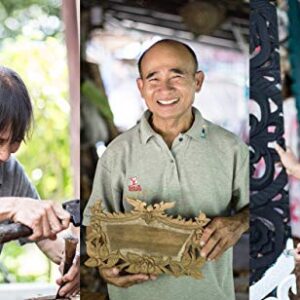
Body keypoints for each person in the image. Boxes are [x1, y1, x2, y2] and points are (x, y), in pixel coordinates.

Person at [83, 39, 249, 300]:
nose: (165, 89)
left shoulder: (231, 149)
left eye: (177, 76)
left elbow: (262, 208)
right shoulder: (117, 153)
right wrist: (105, 267)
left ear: (198, 81)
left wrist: (239, 222)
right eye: (153, 78)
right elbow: (95, 226)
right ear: (140, 87)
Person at [0, 66, 79, 298]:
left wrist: (78, 262)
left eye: (14, 142)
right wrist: (12, 207)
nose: (4, 155)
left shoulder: (10, 172)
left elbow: (49, 239)